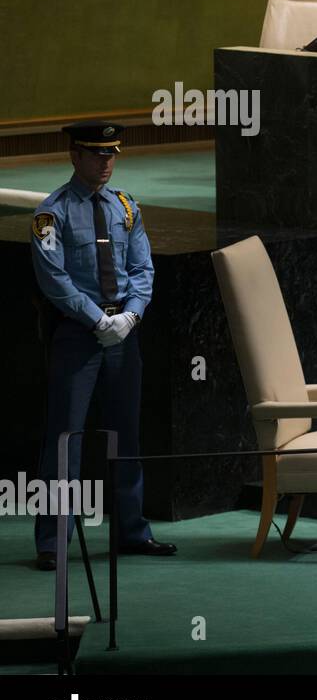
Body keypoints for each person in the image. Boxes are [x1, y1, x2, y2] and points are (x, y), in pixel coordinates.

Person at [29, 121, 175, 570]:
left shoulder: (126, 207)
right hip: (79, 334)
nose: (106, 162)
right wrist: (97, 319)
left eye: (112, 154)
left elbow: (143, 268)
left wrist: (131, 314)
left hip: (123, 335)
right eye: (96, 154)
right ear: (74, 156)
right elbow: (54, 279)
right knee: (65, 438)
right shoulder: (51, 214)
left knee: (126, 435)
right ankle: (53, 542)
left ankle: (131, 530)